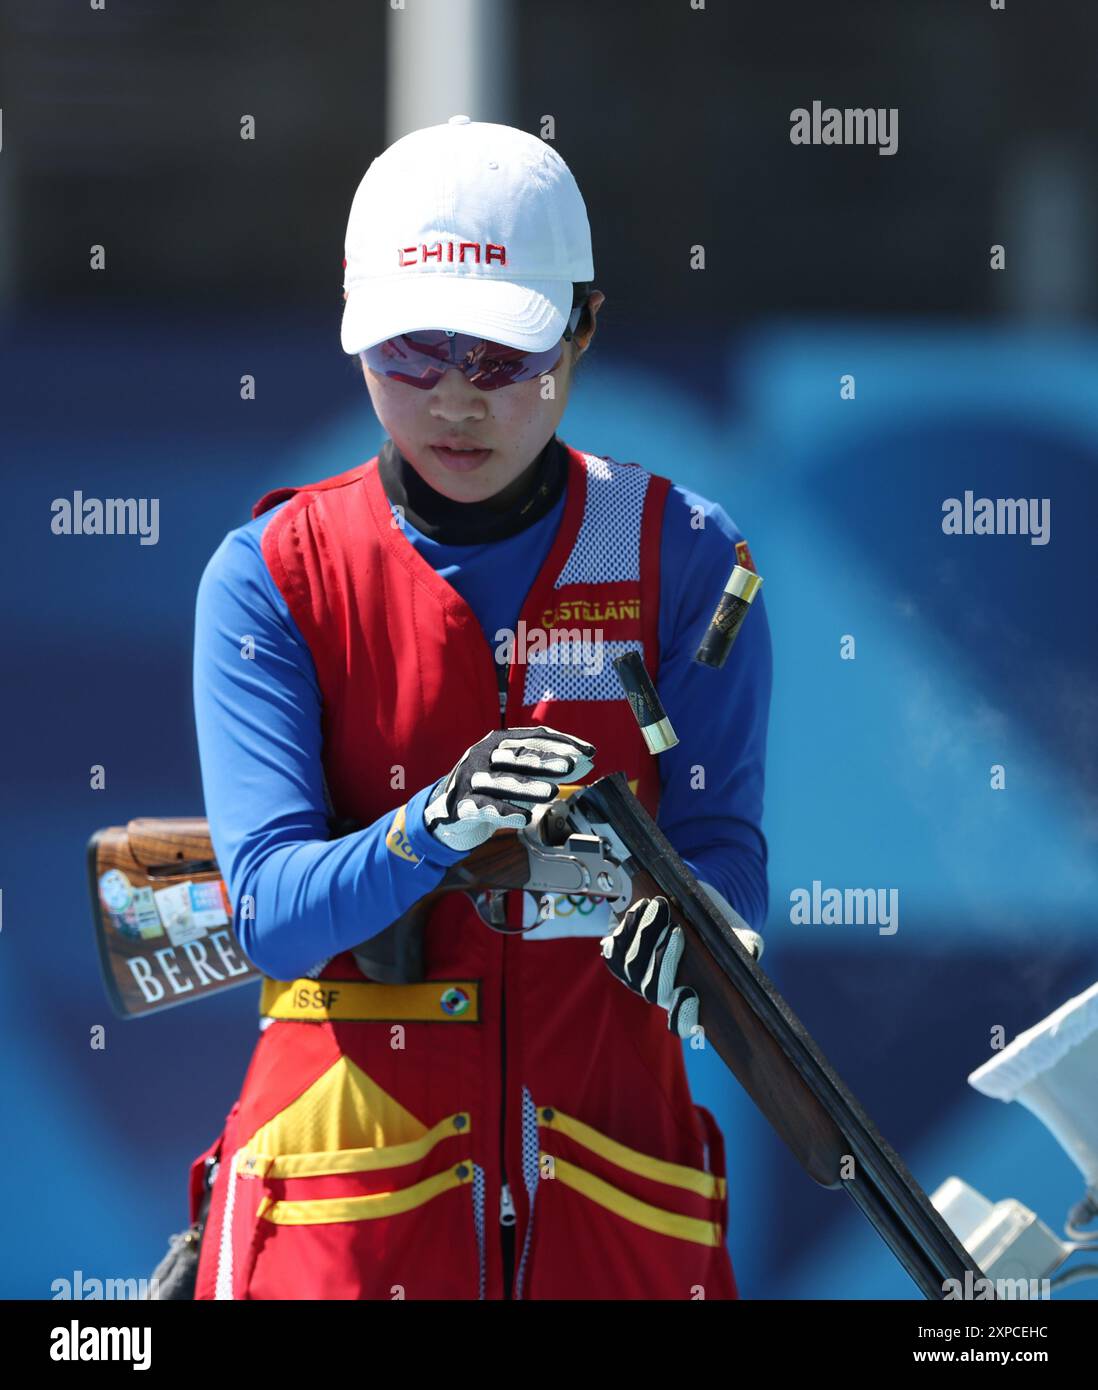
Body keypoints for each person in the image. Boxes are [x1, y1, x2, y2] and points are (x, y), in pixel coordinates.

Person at [188, 116, 772, 1301]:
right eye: (412, 353)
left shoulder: (686, 555)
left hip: (615, 1196)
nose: (455, 402)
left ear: (584, 327)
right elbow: (270, 915)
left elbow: (727, 849)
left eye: (503, 359)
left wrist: (712, 929)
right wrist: (432, 824)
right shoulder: (273, 572)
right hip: (349, 1209)